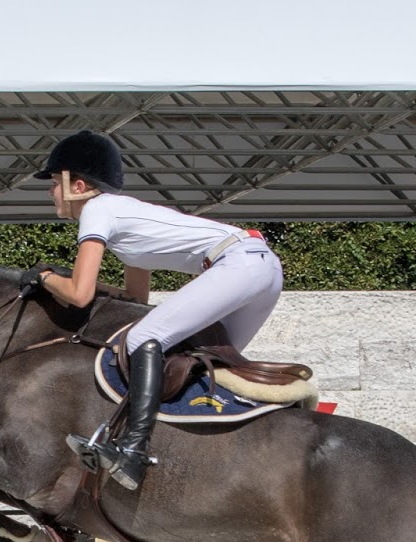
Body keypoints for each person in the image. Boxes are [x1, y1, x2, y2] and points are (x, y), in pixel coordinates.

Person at [23, 130, 285, 490]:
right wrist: (65, 279)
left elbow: (79, 296)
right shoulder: (123, 215)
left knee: (142, 337)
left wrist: (45, 278)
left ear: (77, 186)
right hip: (262, 268)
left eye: (54, 183)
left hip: (239, 264)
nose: (50, 192)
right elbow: (134, 296)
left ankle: (133, 451)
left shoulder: (97, 210)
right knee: (205, 362)